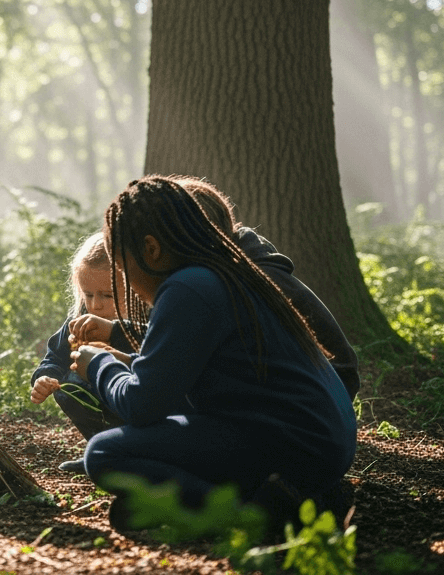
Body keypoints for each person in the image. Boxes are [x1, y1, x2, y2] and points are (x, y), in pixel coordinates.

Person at [72, 175, 356, 535]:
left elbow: (141, 405)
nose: (127, 283)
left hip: (293, 448)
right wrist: (117, 334)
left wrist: (98, 364)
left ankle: (252, 518)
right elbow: (187, 348)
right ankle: (275, 495)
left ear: (151, 249)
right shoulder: (232, 270)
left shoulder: (187, 287)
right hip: (324, 445)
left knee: (104, 454)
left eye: (123, 269)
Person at [70, 177, 360, 400]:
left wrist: (104, 366)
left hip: (319, 394)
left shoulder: (238, 281)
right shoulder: (230, 271)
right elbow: (187, 338)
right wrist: (117, 332)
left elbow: (183, 352)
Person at [28, 232, 127, 473]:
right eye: (89, 294)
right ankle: (100, 449)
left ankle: (129, 451)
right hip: (97, 400)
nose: (96, 305)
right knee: (69, 386)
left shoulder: (141, 324)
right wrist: (44, 377)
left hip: (132, 400)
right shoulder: (78, 321)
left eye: (107, 295)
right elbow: (55, 356)